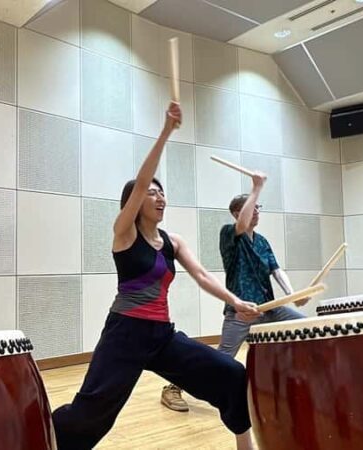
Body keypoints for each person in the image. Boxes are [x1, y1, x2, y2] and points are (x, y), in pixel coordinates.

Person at [51, 102, 260, 450]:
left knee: (231, 374)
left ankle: (245, 445)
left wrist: (235, 301)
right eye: (151, 192)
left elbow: (203, 275)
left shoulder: (172, 241)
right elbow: (140, 184)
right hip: (125, 334)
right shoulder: (124, 233)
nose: (159, 196)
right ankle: (41, 437)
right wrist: (165, 133)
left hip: (161, 337)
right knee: (91, 412)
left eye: (162, 192)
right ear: (134, 202)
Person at [160, 173, 308, 412]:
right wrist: (256, 188)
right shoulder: (229, 233)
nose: (257, 211)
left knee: (306, 326)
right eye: (252, 207)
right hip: (241, 311)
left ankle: (287, 382)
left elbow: (277, 270)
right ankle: (173, 387)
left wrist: (294, 294)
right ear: (237, 213)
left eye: (258, 207)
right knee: (222, 359)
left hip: (269, 308)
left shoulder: (262, 242)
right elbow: (241, 226)